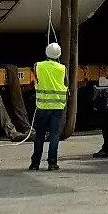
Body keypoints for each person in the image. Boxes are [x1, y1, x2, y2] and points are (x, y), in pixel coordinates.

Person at [30, 41, 67, 171]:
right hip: (57, 107)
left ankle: (35, 164)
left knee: (39, 136)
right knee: (54, 136)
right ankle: (52, 163)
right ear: (58, 55)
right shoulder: (62, 68)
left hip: (42, 106)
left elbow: (35, 77)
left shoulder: (38, 65)